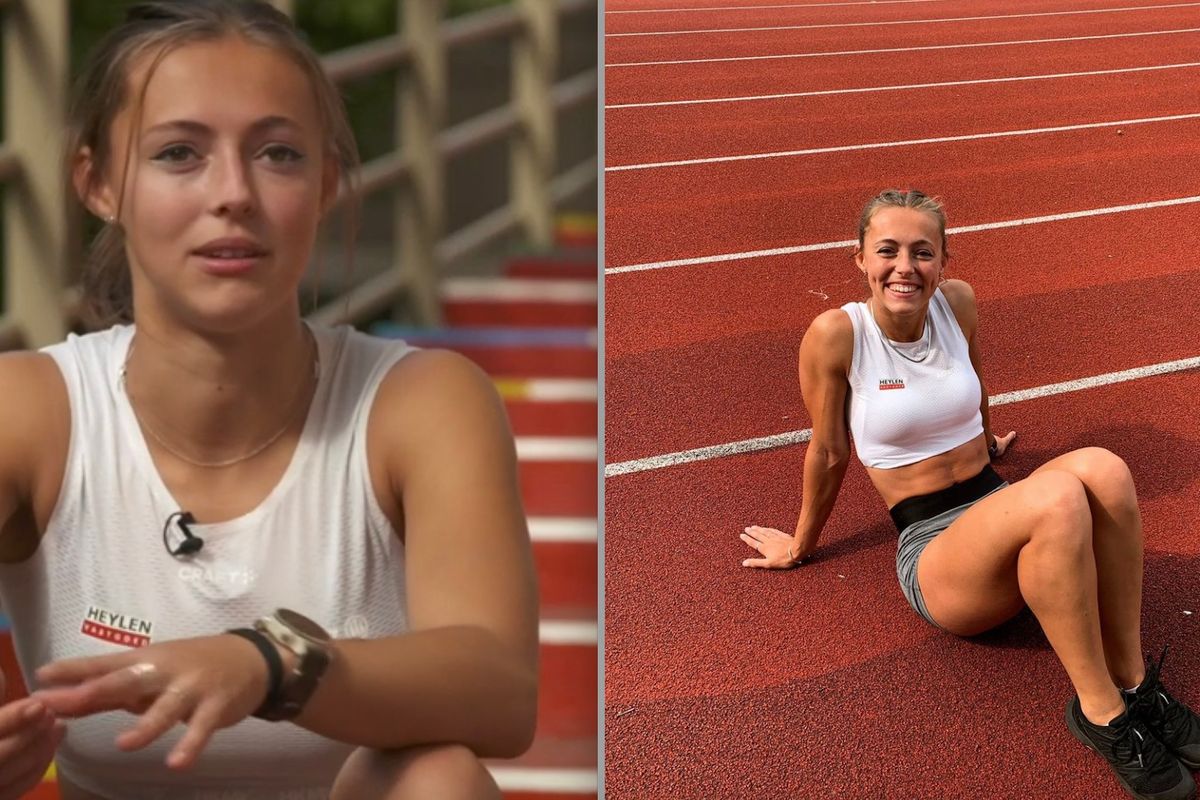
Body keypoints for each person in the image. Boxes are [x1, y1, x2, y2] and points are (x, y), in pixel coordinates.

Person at [0, 2, 537, 798]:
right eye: (179, 153)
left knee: (439, 776)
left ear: (324, 184)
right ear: (99, 183)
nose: (234, 194)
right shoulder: (30, 410)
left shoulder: (422, 402)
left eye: (278, 154)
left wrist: (272, 661)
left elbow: (501, 691)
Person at [740, 189, 1200, 800]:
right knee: (1059, 496)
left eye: (922, 252)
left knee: (1106, 468)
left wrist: (985, 438)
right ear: (859, 259)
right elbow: (828, 451)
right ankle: (1102, 713)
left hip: (997, 506)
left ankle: (1136, 683)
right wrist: (799, 543)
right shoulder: (836, 335)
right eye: (888, 250)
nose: (905, 267)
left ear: (943, 261)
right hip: (937, 554)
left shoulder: (956, 304)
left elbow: (976, 381)